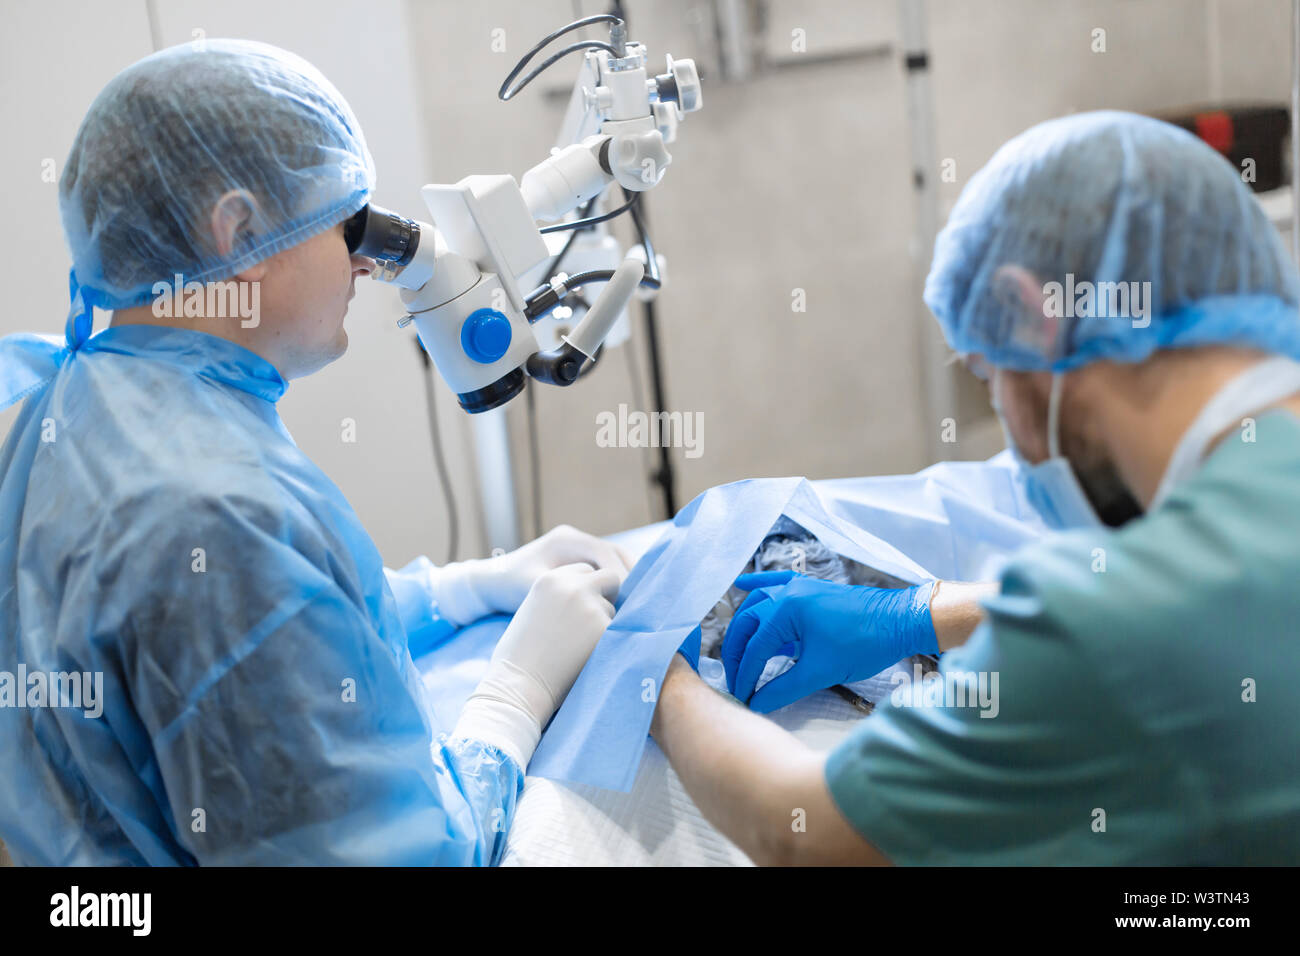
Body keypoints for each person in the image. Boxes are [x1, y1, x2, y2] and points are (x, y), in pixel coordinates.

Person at [0, 39, 630, 865]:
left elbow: (247, 650)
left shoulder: (72, 394)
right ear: (238, 232)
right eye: (346, 225)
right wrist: (516, 694)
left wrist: (462, 589)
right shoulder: (215, 513)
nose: (369, 260)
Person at [651, 110, 1300, 864]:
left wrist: (660, 686)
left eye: (988, 372)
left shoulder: (1118, 620)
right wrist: (914, 614)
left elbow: (805, 834)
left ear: (1032, 313)